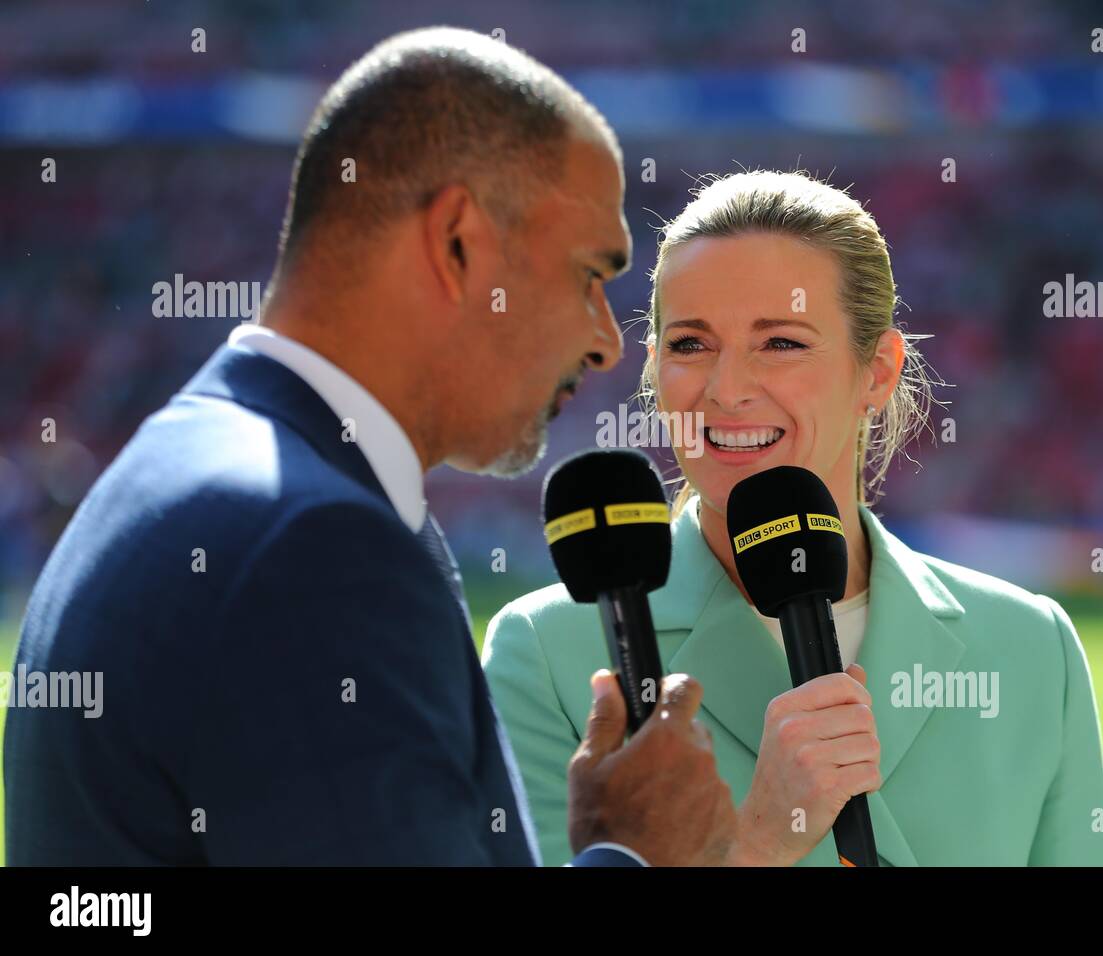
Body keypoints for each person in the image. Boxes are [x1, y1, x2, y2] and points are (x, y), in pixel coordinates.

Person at [3, 28, 736, 867]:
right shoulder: (313, 548)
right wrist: (637, 853)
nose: (607, 342)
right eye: (589, 275)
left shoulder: (188, 470)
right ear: (458, 243)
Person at [484, 170, 1103, 866]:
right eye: (690, 344)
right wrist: (758, 844)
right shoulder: (547, 653)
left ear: (878, 372)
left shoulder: (1030, 645)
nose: (727, 390)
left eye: (781, 343)